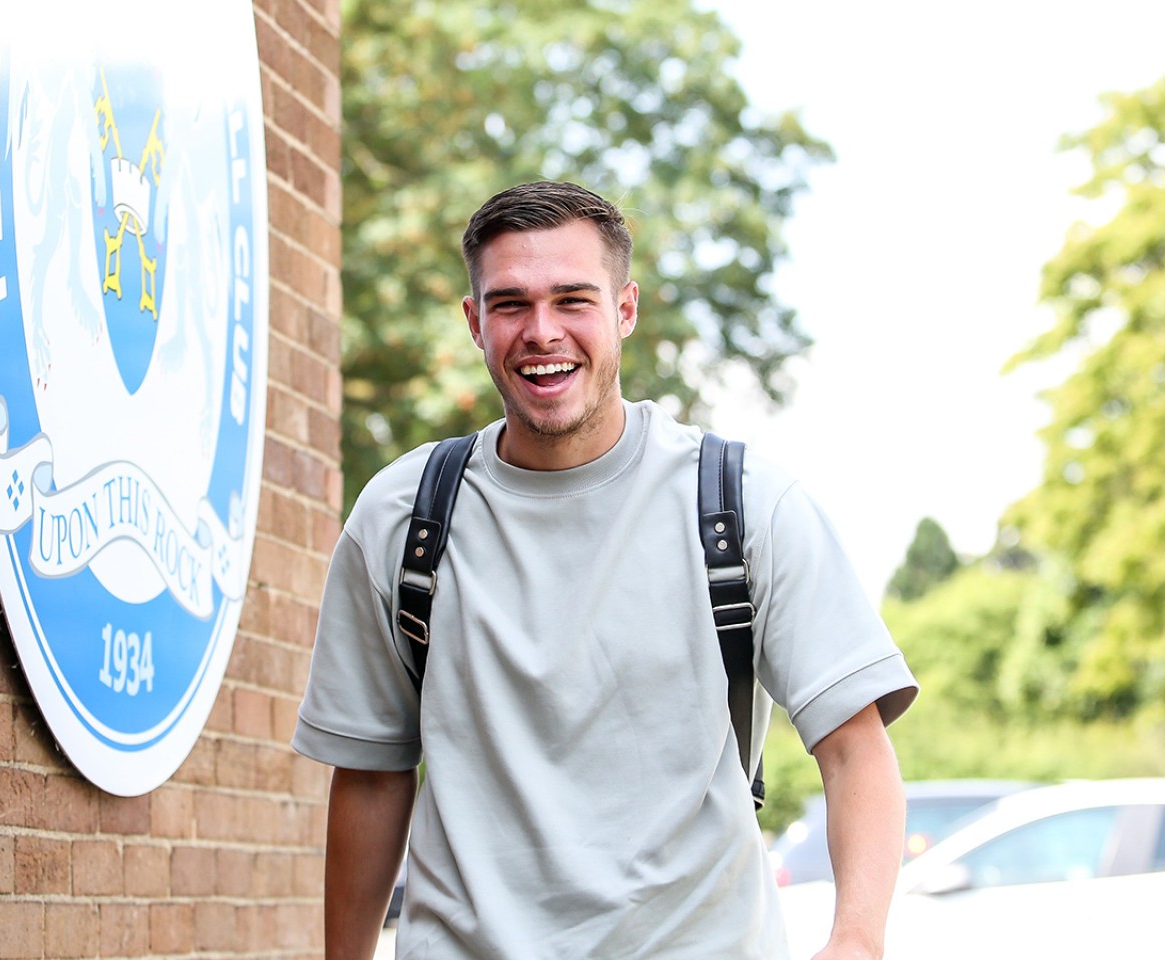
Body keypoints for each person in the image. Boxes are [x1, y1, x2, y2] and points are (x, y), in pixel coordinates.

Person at [293, 180, 918, 960]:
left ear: (624, 310)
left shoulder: (739, 505)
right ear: (474, 322)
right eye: (511, 304)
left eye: (573, 300)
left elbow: (854, 747)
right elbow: (372, 773)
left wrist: (855, 942)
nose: (542, 331)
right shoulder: (403, 518)